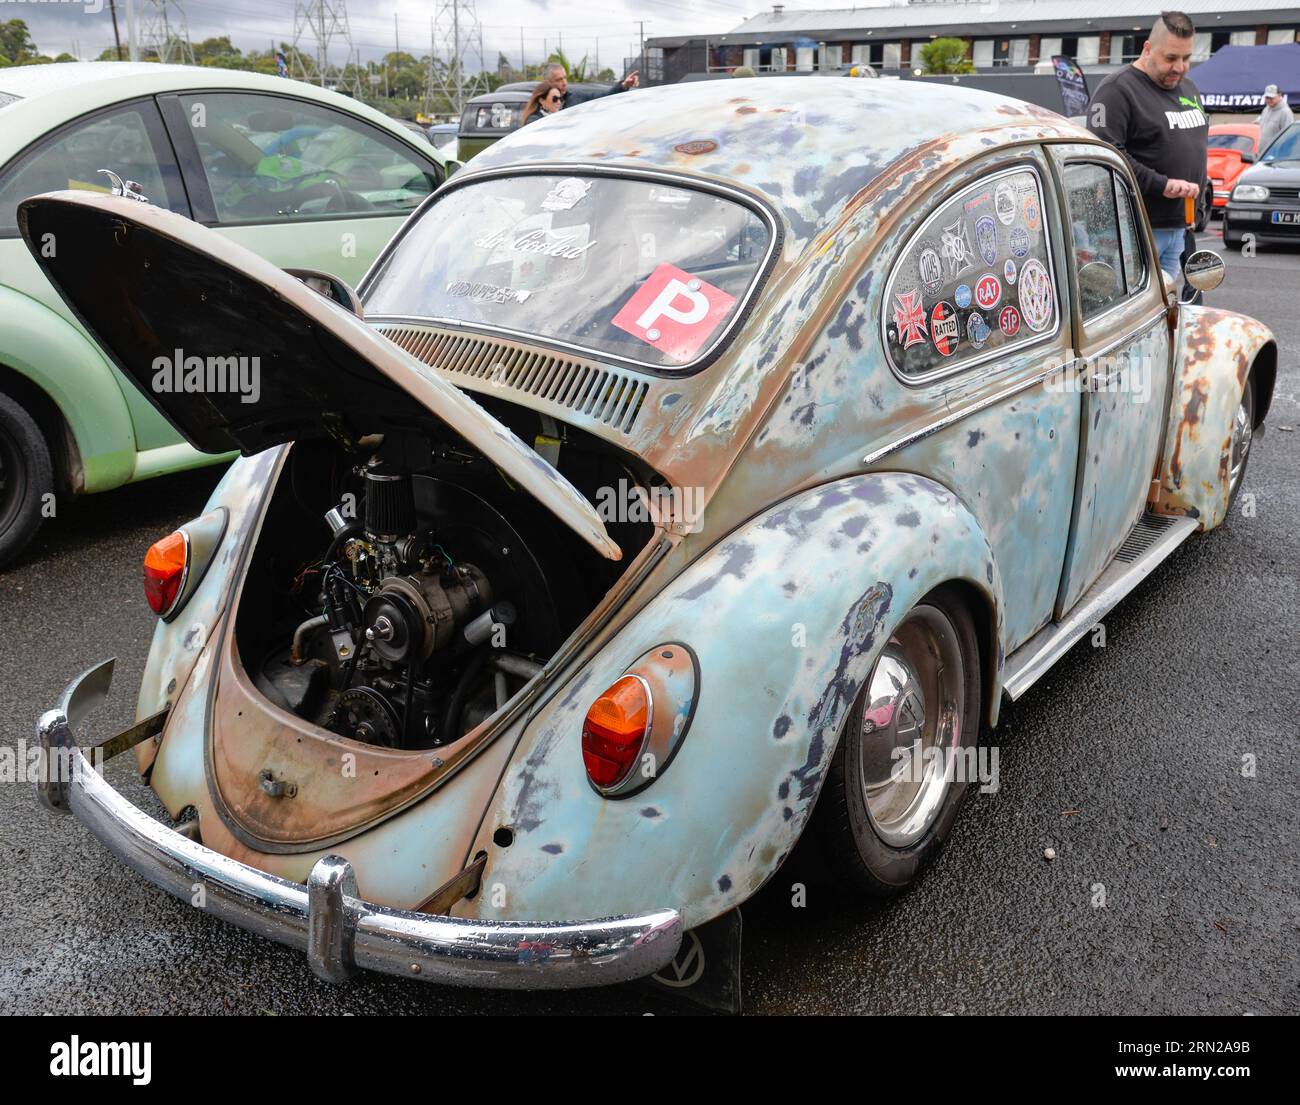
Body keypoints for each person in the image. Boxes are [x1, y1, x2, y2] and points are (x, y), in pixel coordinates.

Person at [1087, 10, 1208, 282]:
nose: (1179, 67)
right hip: (1135, 230)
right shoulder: (1117, 90)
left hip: (1182, 226)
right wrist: (1161, 185)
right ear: (1147, 48)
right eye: (1170, 58)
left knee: (1178, 313)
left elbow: (1194, 146)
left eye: (1186, 58)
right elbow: (1105, 154)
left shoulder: (1189, 88)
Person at [545, 61, 638, 109]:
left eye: (565, 78)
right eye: (559, 80)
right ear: (548, 82)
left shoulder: (577, 97)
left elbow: (604, 97)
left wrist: (624, 85)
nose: (564, 82)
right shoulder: (537, 113)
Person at [1257, 83, 1293, 154]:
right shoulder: (1266, 109)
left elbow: (1289, 137)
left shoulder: (1285, 112)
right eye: (1267, 97)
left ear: (1279, 95)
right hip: (1262, 154)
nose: (1269, 100)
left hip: (1275, 155)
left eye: (1271, 97)